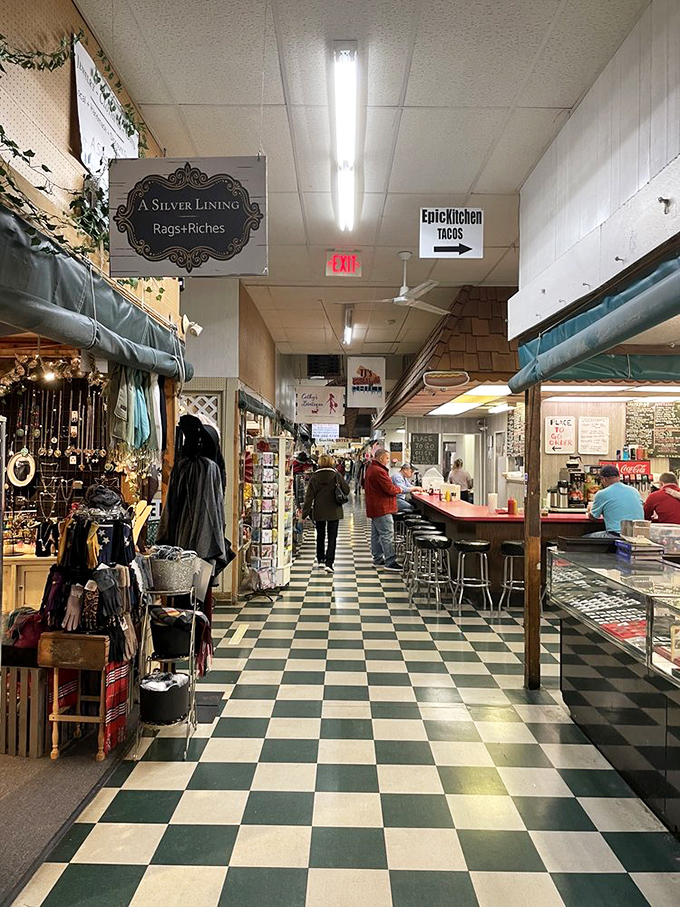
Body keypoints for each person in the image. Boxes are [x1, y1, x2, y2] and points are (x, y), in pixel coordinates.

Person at [302, 453, 350, 574]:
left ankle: (320, 559)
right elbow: (347, 490)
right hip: (334, 510)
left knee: (320, 535)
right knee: (332, 537)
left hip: (319, 510)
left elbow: (309, 497)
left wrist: (304, 514)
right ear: (331, 462)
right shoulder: (336, 475)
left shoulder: (314, 477)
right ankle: (329, 563)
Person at [364, 449, 402, 571]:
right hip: (382, 507)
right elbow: (390, 489)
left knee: (376, 535)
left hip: (374, 506)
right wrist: (400, 490)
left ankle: (378, 559)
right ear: (381, 459)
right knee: (387, 534)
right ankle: (390, 561)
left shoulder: (371, 469)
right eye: (386, 458)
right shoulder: (379, 471)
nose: (388, 460)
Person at [588, 465, 644, 535]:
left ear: (603, 479)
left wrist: (590, 510)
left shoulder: (602, 494)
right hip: (638, 535)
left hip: (617, 535)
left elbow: (593, 517)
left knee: (585, 538)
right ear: (619, 476)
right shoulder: (634, 491)